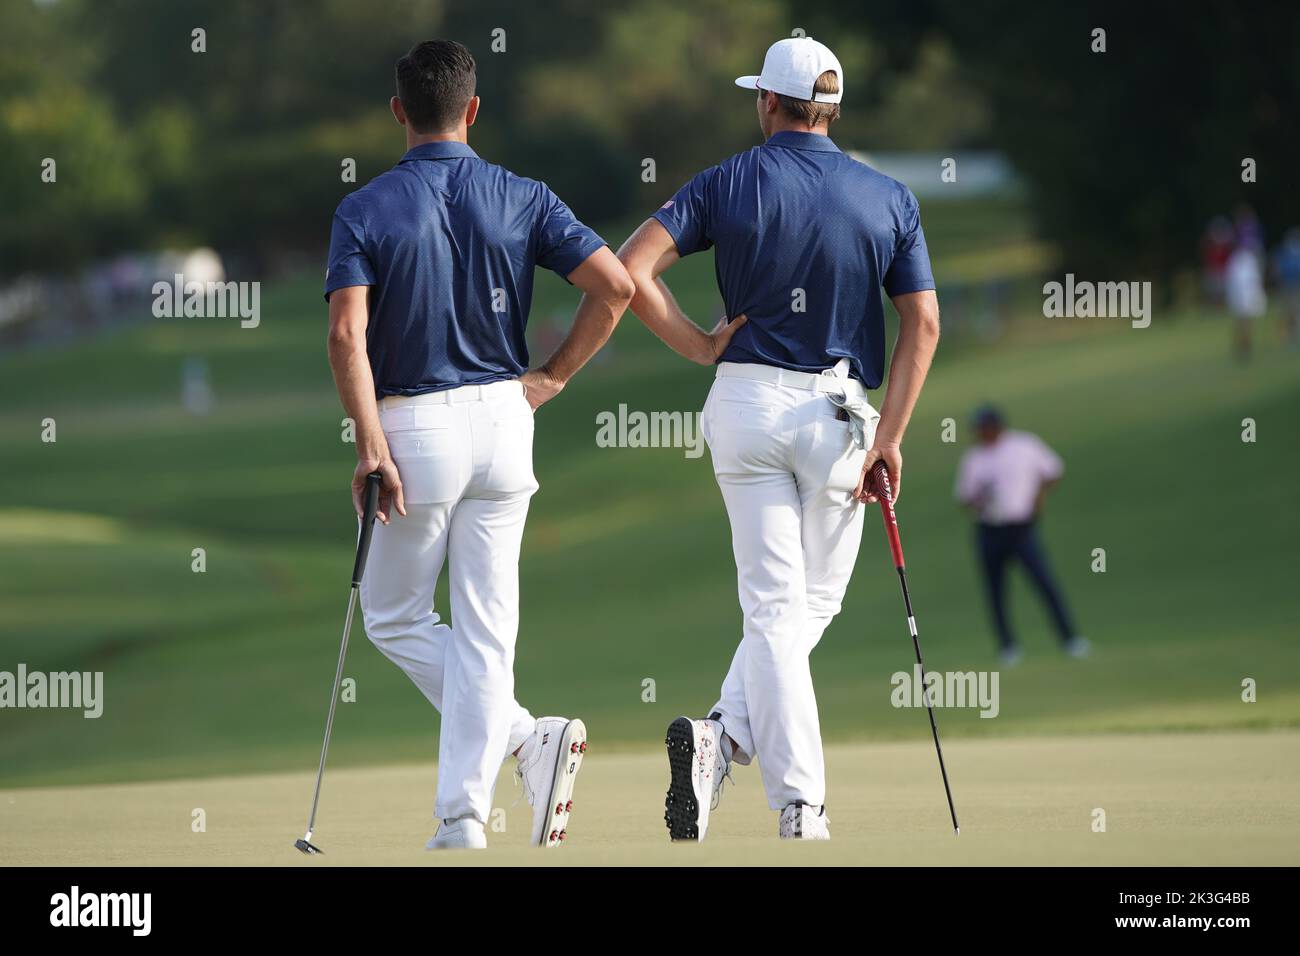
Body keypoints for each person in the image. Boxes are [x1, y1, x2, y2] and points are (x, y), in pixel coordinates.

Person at [618, 36, 941, 841]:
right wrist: (891, 437)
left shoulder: (726, 180)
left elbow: (630, 269)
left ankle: (721, 739)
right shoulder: (888, 196)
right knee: (802, 606)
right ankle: (798, 804)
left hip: (745, 405)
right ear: (831, 107)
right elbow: (923, 323)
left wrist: (696, 343)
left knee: (775, 609)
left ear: (769, 102)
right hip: (836, 414)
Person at [324, 40, 634, 849]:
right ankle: (475, 801)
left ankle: (507, 764)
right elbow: (618, 286)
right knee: (488, 630)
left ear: (398, 113)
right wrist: (554, 377)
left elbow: (345, 333)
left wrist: (369, 447)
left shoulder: (364, 208)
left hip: (415, 427)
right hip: (506, 420)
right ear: (473, 110)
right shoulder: (523, 195)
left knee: (393, 616)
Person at [954, 405, 1088, 665]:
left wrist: (1038, 497)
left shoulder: (1024, 445)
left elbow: (1052, 471)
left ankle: (1070, 639)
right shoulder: (974, 458)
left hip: (1022, 528)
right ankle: (1008, 647)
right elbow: (964, 498)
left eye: (983, 427)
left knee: (1045, 584)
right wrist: (979, 499)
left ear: (995, 426)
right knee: (995, 592)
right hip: (989, 530)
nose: (979, 433)